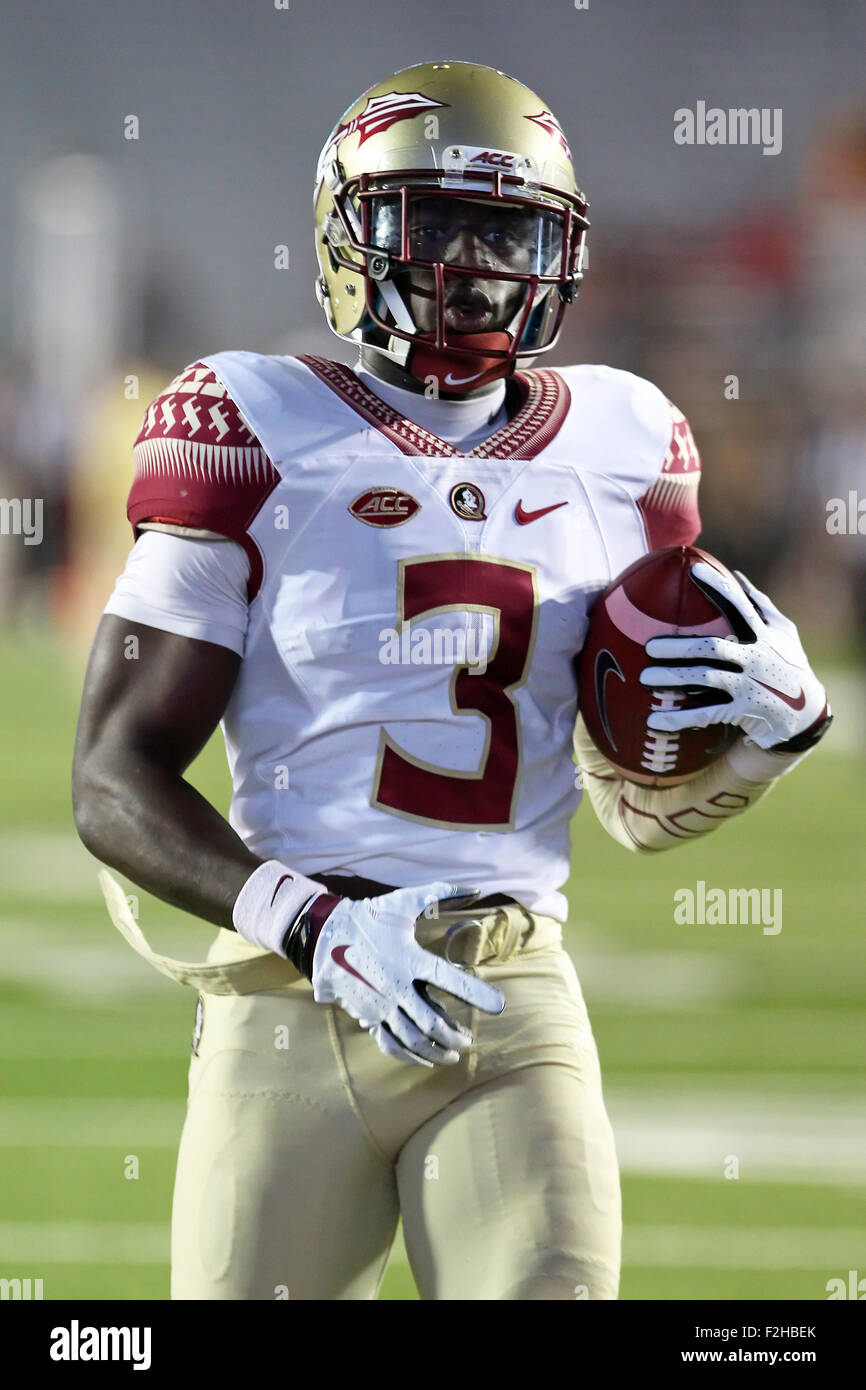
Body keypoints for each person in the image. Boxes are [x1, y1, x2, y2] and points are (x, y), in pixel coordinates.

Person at [71, 60, 831, 1301]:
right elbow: (110, 777)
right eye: (442, 222)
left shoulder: (623, 443)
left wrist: (760, 739)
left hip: (508, 985)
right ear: (352, 232)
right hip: (292, 990)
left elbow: (635, 813)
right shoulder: (252, 422)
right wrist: (312, 923)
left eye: (512, 230)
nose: (478, 263)